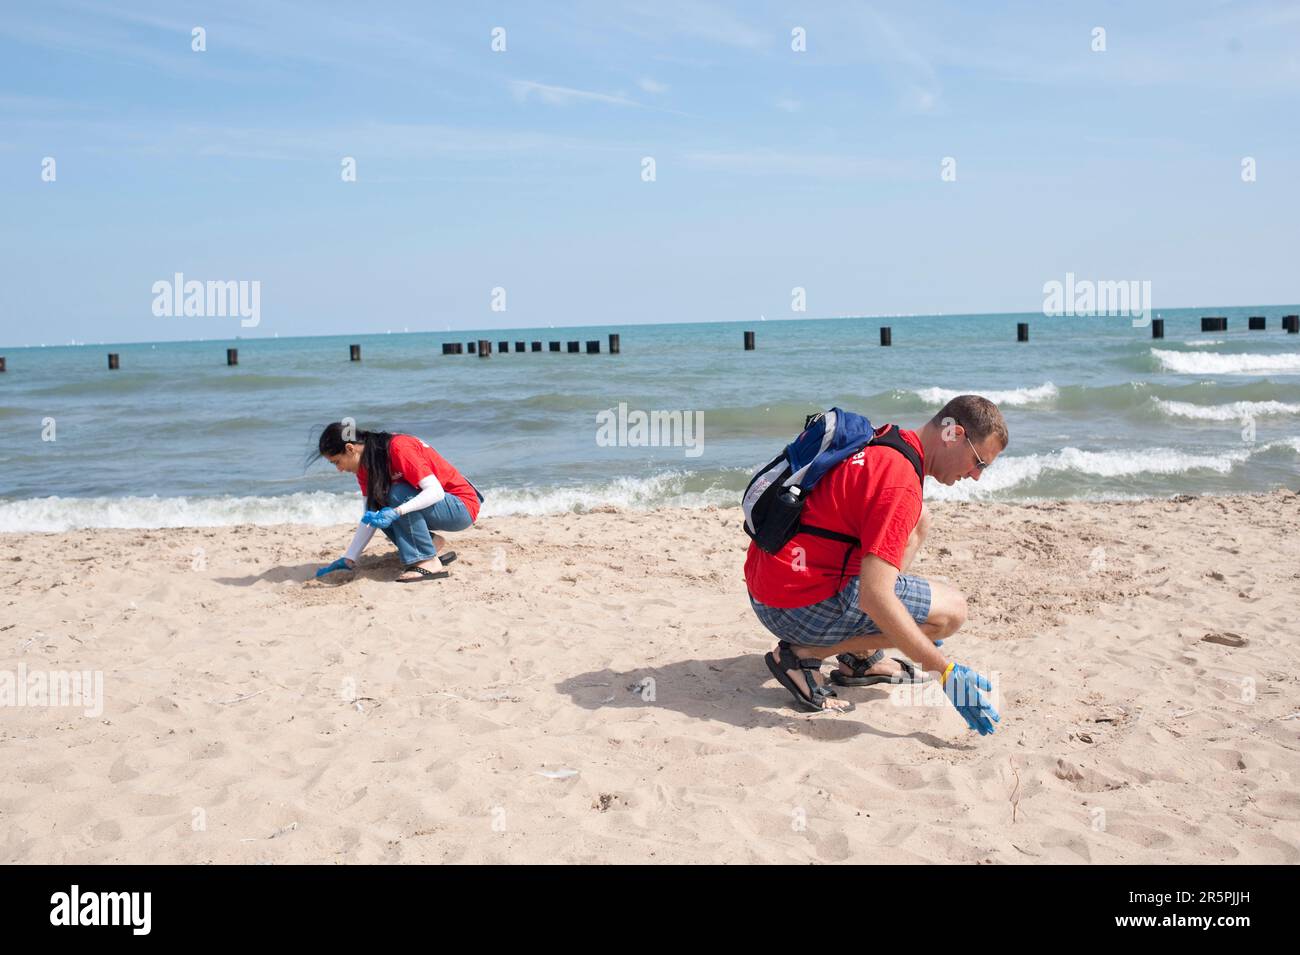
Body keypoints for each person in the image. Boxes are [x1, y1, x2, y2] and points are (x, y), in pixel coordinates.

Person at [744, 395, 1008, 735]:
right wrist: (943, 671)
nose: (975, 476)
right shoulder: (900, 483)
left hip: (768, 585)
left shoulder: (886, 439)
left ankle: (861, 660)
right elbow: (875, 598)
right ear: (953, 434)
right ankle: (803, 653)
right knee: (951, 612)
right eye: (979, 463)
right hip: (794, 607)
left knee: (920, 520)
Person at [313, 423, 482, 583]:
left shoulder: (398, 447)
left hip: (461, 506)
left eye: (336, 462)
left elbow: (435, 492)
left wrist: (397, 511)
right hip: (438, 507)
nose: (339, 469)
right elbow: (369, 517)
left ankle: (428, 561)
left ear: (350, 449)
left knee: (396, 493)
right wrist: (349, 558)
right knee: (378, 505)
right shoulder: (365, 467)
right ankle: (430, 543)